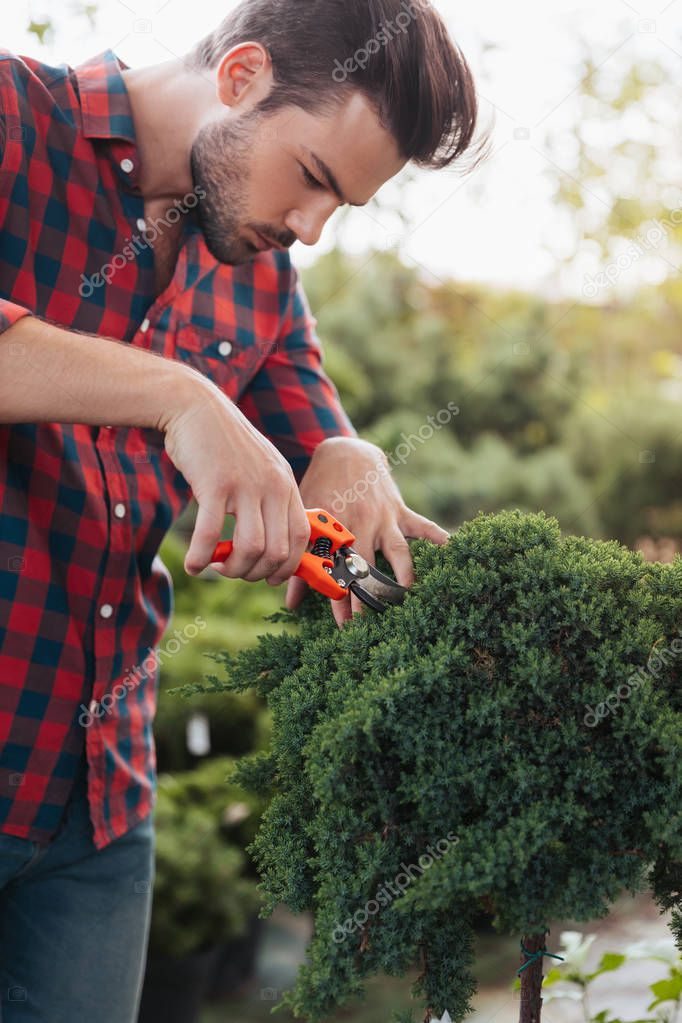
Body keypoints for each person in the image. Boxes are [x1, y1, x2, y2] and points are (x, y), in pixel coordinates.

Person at [0, 1, 483, 1019]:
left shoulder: (256, 274)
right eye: (312, 178)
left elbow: (321, 453)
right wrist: (176, 394)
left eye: (339, 208)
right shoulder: (13, 117)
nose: (309, 228)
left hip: (94, 810)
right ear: (239, 75)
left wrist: (349, 457)